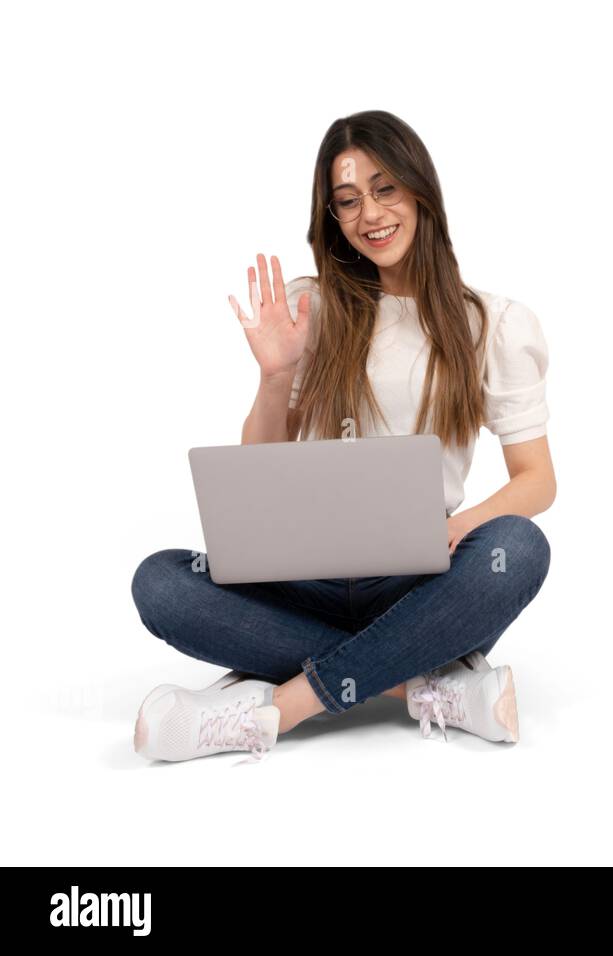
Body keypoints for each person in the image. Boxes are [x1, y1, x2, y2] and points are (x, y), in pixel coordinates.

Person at [129, 110, 555, 763]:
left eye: (385, 189)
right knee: (160, 582)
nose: (369, 214)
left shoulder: (492, 323)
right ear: (332, 217)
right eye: (348, 200)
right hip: (305, 577)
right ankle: (420, 683)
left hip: (417, 580)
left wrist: (460, 526)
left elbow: (537, 481)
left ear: (420, 190)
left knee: (517, 550)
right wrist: (276, 376)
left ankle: (276, 708)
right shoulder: (314, 308)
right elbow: (259, 472)